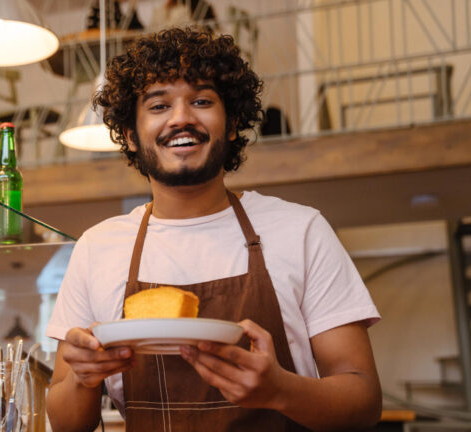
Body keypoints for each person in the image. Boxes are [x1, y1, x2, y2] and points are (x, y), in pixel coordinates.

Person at [45, 27, 382, 431]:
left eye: (202, 101)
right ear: (131, 136)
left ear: (233, 122)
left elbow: (363, 400)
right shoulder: (97, 247)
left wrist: (280, 391)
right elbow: (65, 422)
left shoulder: (301, 230)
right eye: (158, 106)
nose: (182, 118)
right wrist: (84, 377)